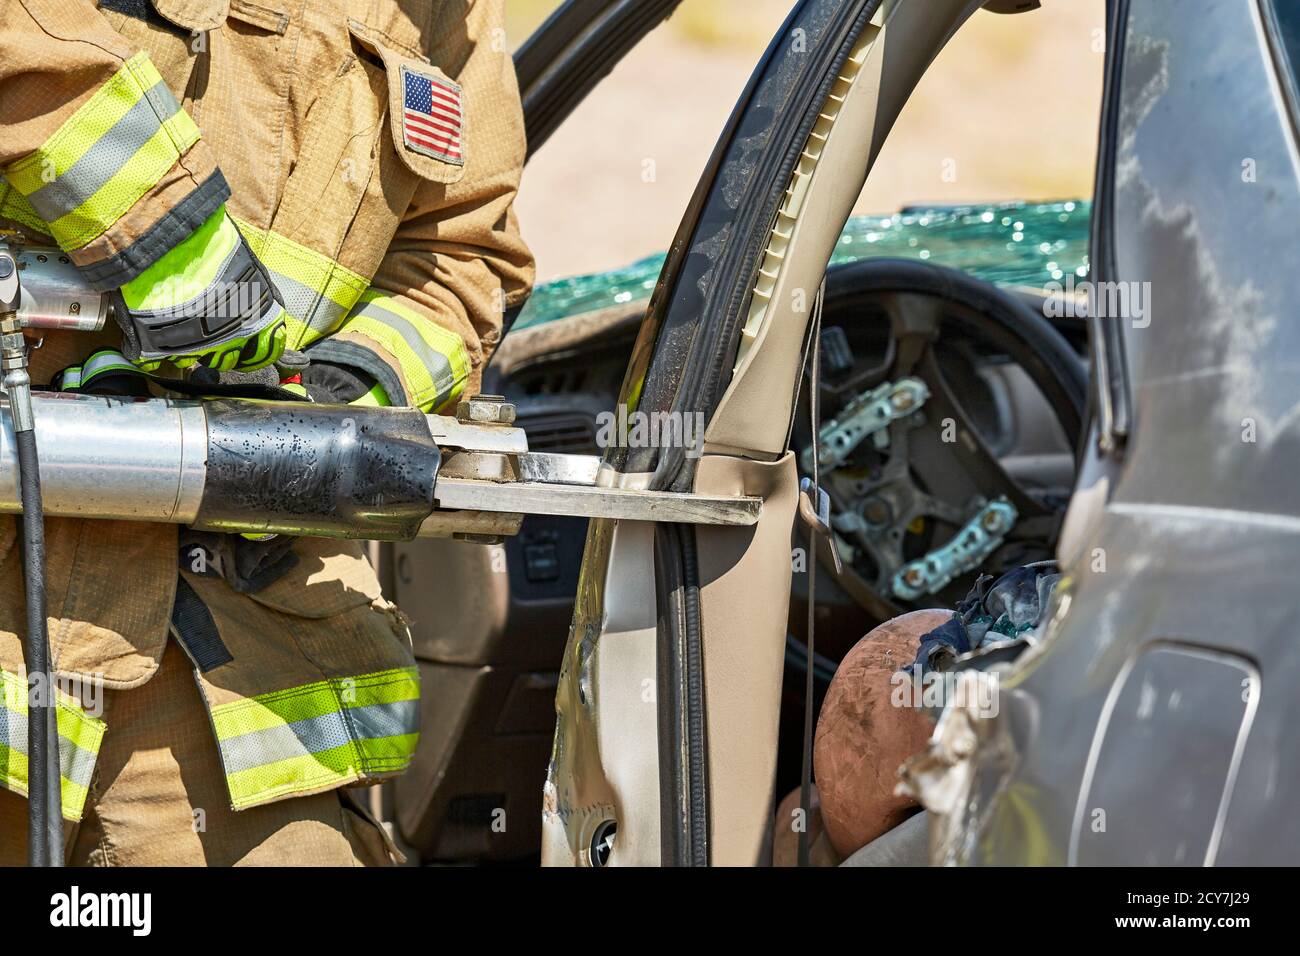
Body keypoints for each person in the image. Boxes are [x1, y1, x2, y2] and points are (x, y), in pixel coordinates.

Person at [0, 0, 533, 865]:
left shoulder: (447, 16)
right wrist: (179, 258)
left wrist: (327, 411)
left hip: (241, 674)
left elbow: (462, 257)